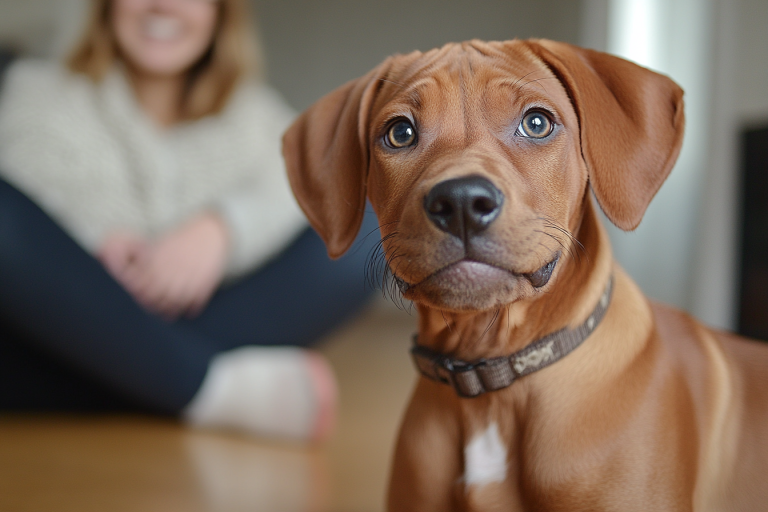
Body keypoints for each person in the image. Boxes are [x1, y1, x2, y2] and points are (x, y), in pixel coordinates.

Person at [0, 0, 378, 441]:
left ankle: (150, 377)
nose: (164, 5)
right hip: (62, 325)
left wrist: (222, 229)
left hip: (145, 334)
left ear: (221, 13)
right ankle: (210, 387)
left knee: (369, 227)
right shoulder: (37, 89)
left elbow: (322, 175)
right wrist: (96, 245)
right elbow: (30, 218)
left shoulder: (253, 117)